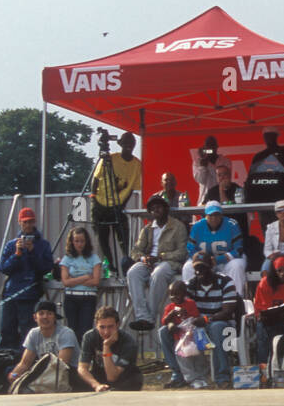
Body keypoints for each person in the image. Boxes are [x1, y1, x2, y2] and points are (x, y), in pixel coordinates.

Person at [174, 252, 243, 389]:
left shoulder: (226, 281)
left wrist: (206, 319)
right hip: (198, 325)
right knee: (165, 331)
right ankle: (179, 376)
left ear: (211, 266)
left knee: (216, 327)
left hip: (222, 323)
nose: (200, 272)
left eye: (203, 268)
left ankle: (222, 377)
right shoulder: (190, 285)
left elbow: (227, 311)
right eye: (197, 268)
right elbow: (184, 309)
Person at [126, 195, 189, 331]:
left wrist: (161, 257)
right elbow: (135, 251)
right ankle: (142, 316)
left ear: (166, 208)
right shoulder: (148, 229)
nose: (156, 210)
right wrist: (143, 259)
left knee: (158, 273)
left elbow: (182, 252)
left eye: (158, 207)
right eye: (152, 208)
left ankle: (150, 318)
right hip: (149, 262)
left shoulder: (178, 227)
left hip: (169, 263)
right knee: (133, 272)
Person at [0, 208, 54, 351]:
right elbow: (3, 268)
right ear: (19, 223)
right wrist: (16, 254)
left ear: (34, 222)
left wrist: (32, 252)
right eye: (25, 222)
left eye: (30, 222)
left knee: (27, 332)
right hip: (11, 293)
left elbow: (46, 268)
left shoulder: (43, 245)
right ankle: (6, 359)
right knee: (6, 330)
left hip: (30, 294)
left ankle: (26, 361)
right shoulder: (11, 245)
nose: (28, 225)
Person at [90, 131, 143, 270]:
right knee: (103, 237)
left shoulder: (137, 164)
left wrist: (121, 205)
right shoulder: (110, 158)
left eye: (131, 144)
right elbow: (95, 179)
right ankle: (110, 266)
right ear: (120, 145)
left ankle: (127, 264)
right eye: (125, 143)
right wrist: (93, 200)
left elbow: (132, 188)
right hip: (100, 203)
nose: (128, 146)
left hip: (118, 206)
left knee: (123, 236)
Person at [8, 300, 80, 389]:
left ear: (55, 317)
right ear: (35, 317)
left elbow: (61, 364)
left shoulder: (66, 333)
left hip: (68, 373)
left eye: (49, 313)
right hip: (45, 374)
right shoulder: (33, 333)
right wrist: (14, 375)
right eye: (41, 314)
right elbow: (25, 363)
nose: (45, 317)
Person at [183, 202, 248, 297]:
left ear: (221, 214)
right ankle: (189, 299)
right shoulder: (197, 227)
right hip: (204, 261)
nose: (213, 218)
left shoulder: (232, 224)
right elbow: (190, 249)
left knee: (237, 266)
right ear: (205, 216)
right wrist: (202, 260)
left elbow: (238, 249)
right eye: (210, 215)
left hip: (226, 261)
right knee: (188, 267)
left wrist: (218, 259)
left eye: (216, 215)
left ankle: (237, 299)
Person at [77, 305, 143, 392]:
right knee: (77, 379)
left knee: (132, 380)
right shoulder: (90, 336)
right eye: (102, 327)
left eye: (110, 327)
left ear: (118, 325)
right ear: (96, 325)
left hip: (124, 378)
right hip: (100, 376)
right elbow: (82, 368)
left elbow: (112, 377)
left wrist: (106, 346)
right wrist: (96, 385)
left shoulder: (129, 342)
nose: (106, 332)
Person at [161, 279, 212, 389]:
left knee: (198, 358)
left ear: (184, 294)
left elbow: (195, 317)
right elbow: (164, 321)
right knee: (184, 360)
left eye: (177, 294)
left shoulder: (190, 303)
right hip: (179, 339)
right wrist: (171, 316)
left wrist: (186, 313)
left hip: (192, 337)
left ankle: (202, 377)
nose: (174, 297)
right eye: (171, 295)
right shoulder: (169, 307)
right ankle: (192, 379)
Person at [59, 226, 101, 344]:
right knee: (72, 330)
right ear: (72, 242)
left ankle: (85, 357)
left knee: (85, 330)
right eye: (76, 241)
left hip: (88, 297)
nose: (79, 244)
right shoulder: (67, 258)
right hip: (71, 297)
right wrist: (86, 277)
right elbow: (65, 281)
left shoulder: (94, 258)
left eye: (82, 241)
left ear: (86, 241)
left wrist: (74, 280)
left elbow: (96, 281)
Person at [191, 135, 233, 203]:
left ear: (217, 147)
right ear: (204, 147)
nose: (210, 148)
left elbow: (222, 180)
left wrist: (208, 164)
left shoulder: (226, 161)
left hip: (222, 198)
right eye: (207, 146)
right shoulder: (197, 162)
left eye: (212, 145)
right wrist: (203, 165)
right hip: (204, 199)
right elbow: (200, 180)